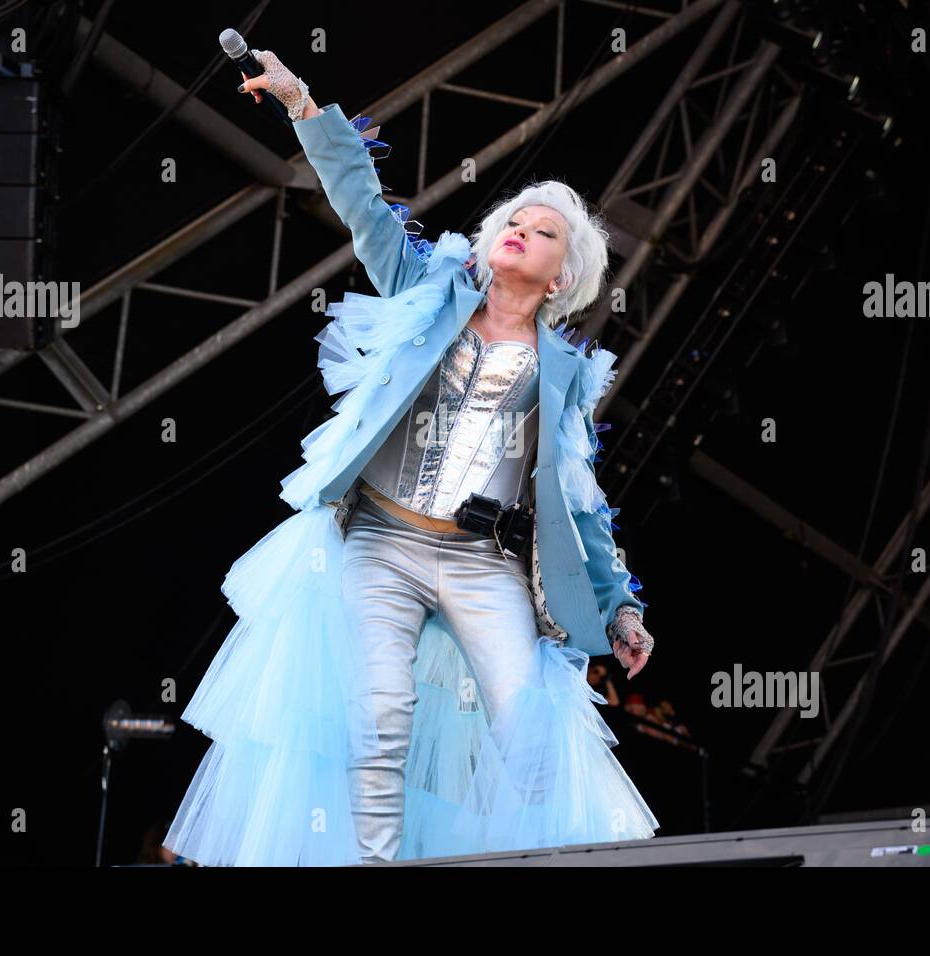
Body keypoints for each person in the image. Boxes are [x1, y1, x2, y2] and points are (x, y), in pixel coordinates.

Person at [164, 49, 661, 866]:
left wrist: (620, 606)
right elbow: (365, 208)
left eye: (542, 233)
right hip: (383, 542)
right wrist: (302, 103)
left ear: (562, 273)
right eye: (514, 219)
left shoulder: (563, 371)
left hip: (481, 560)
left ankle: (542, 861)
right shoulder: (427, 286)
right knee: (380, 712)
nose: (519, 231)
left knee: (528, 718)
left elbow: (577, 498)